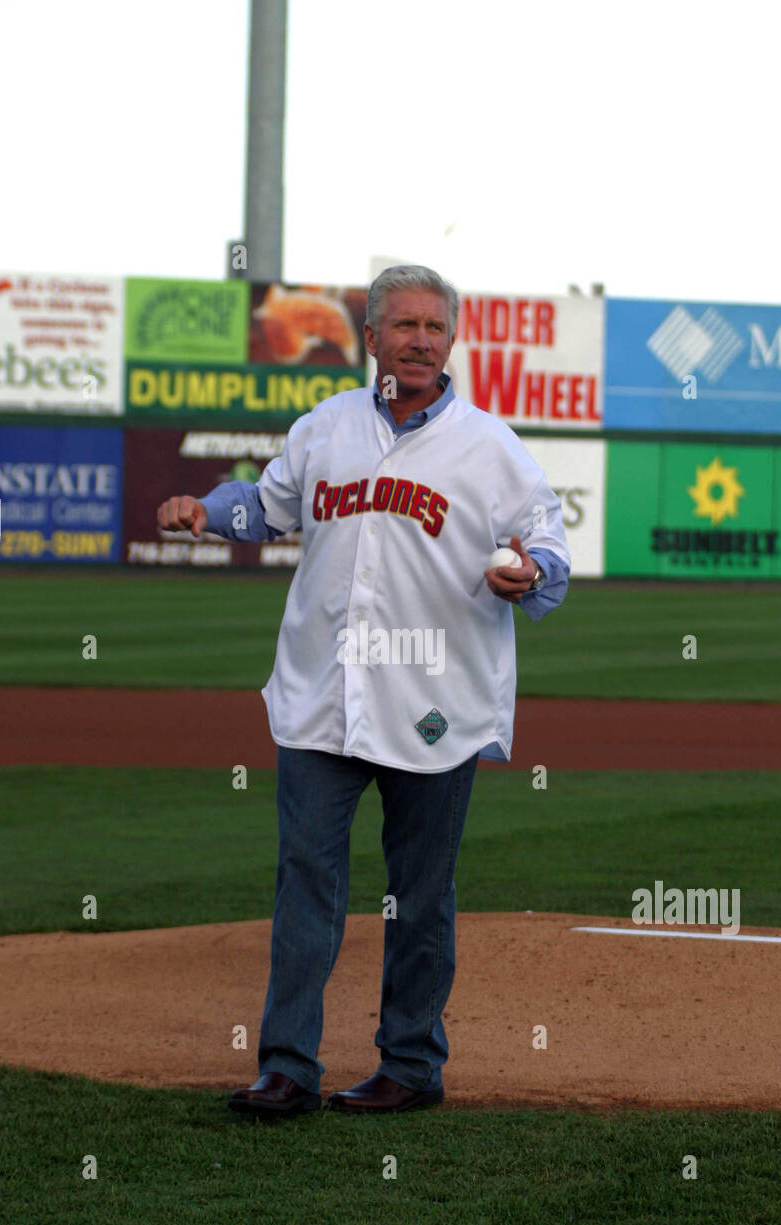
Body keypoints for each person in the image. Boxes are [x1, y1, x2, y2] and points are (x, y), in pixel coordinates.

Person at [156, 264, 570, 1118]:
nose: (420, 340)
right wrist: (207, 509)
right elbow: (267, 507)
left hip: (435, 703)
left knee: (421, 895)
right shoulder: (326, 428)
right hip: (320, 697)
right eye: (403, 325)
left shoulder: (490, 446)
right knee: (306, 881)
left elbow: (548, 553)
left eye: (434, 327)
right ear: (371, 337)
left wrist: (528, 575)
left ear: (451, 340)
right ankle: (285, 1068)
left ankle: (411, 1065)